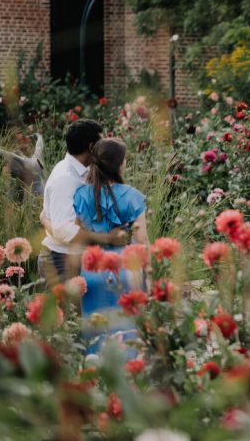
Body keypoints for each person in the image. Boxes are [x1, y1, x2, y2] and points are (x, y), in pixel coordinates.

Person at [73, 137, 149, 355]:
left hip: (91, 270)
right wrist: (149, 277)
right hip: (125, 271)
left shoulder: (81, 195)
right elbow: (142, 240)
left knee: (94, 335)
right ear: (120, 164)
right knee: (127, 334)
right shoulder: (132, 196)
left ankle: (96, 382)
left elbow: (77, 235)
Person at [39, 119, 129, 285]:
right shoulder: (66, 178)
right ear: (90, 147)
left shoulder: (86, 172)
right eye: (100, 142)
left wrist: (46, 222)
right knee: (67, 311)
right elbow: (64, 231)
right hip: (61, 261)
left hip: (79, 259)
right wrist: (107, 238)